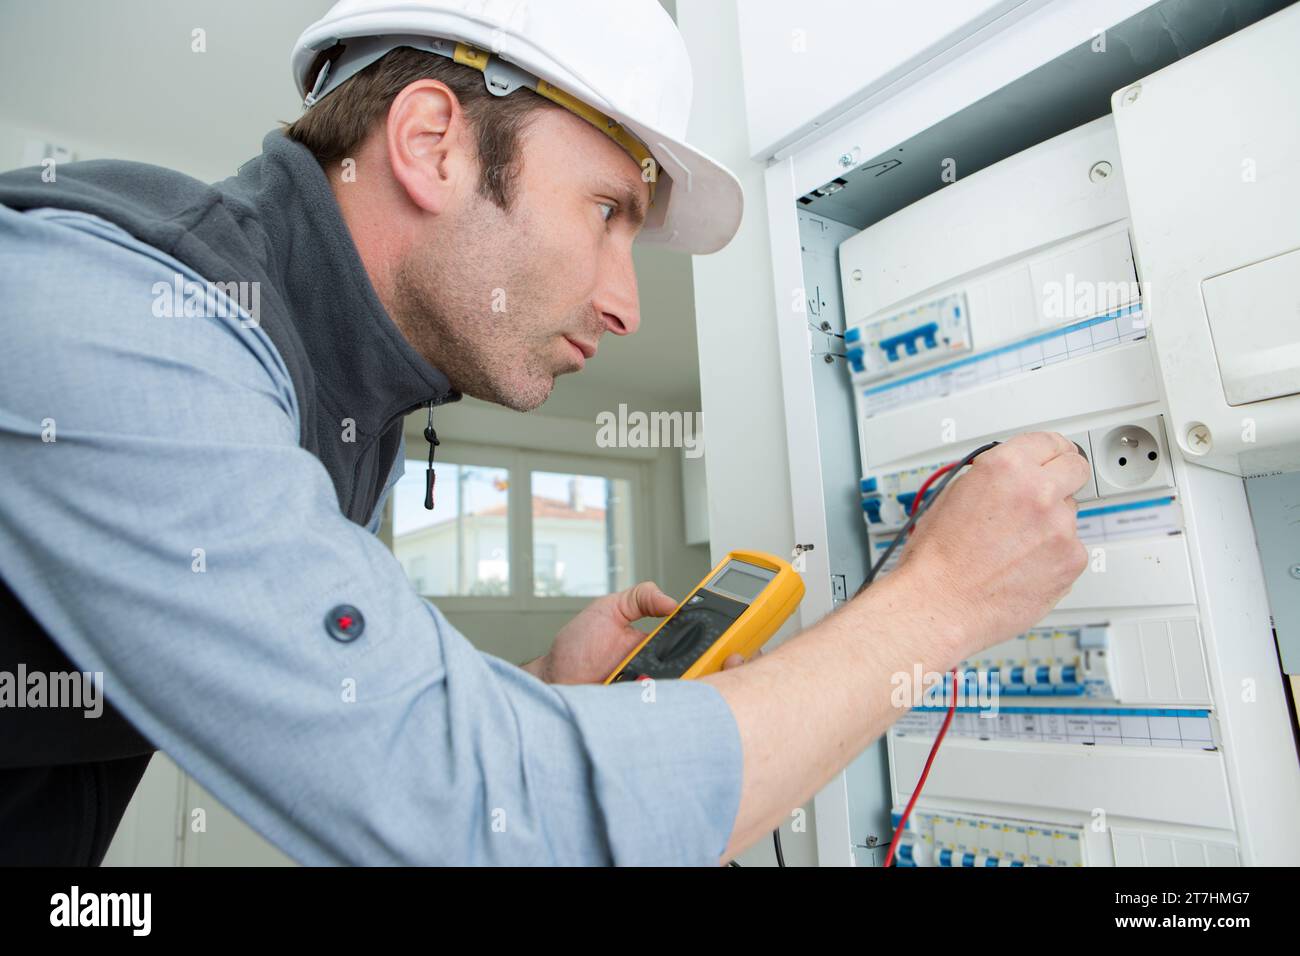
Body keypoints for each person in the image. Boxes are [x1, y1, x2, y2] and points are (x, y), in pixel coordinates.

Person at [0, 0, 1090, 865]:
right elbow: (469, 814)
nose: (627, 304)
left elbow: (340, 721)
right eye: (609, 211)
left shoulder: (338, 394)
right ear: (432, 143)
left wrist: (539, 685)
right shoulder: (125, 312)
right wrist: (942, 600)